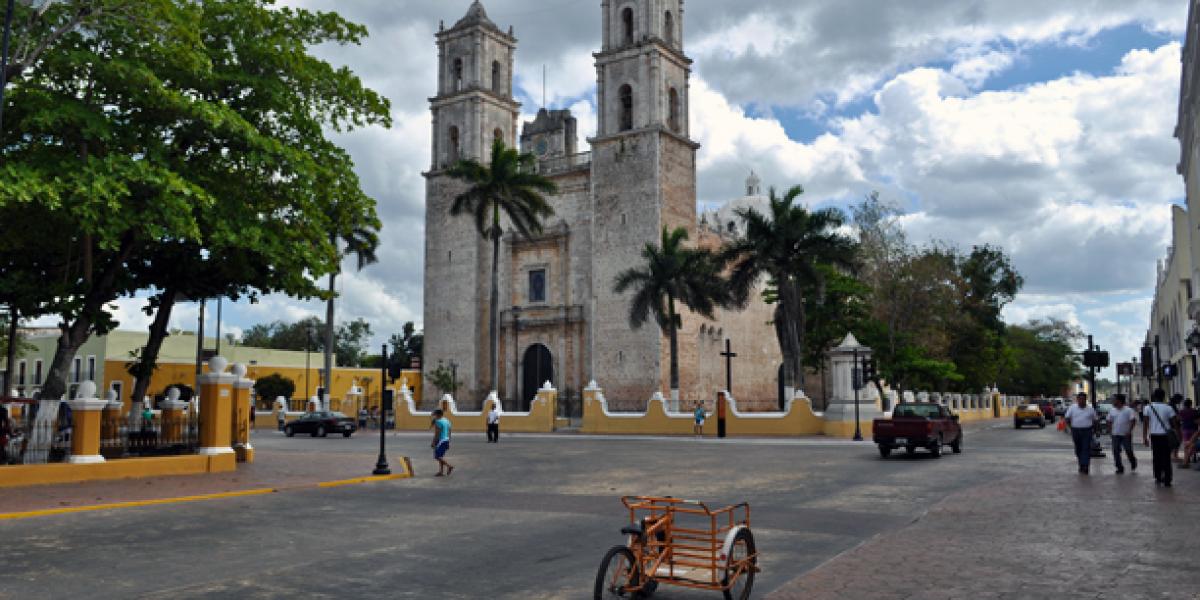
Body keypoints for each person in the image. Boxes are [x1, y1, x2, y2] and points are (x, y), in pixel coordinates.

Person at [1142, 389, 1178, 488]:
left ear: (1154, 396)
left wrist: (1144, 437)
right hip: (1166, 436)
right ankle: (1167, 479)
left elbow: (1145, 424)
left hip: (1154, 435)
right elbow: (1175, 423)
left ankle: (1158, 476)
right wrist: (1178, 435)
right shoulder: (1169, 408)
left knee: (1156, 456)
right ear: (1163, 396)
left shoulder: (1148, 408)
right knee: (1166, 458)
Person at [1063, 392, 1097, 474]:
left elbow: (1095, 420)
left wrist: (1096, 430)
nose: (1081, 401)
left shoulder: (1090, 409)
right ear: (1077, 400)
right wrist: (1069, 427)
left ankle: (1085, 466)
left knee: (1086, 448)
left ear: (1086, 400)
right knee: (1078, 449)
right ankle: (1081, 463)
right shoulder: (1072, 408)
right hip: (1075, 430)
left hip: (1087, 430)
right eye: (1080, 399)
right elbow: (1067, 418)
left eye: (1083, 399)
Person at [1107, 394, 1137, 474]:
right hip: (1115, 434)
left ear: (1119, 401)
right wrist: (1110, 431)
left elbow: (1133, 421)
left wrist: (1129, 431)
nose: (1113, 401)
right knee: (1115, 450)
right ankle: (1119, 467)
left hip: (1126, 434)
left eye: (1114, 400)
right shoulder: (1112, 410)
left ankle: (1133, 460)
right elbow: (1109, 421)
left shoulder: (1129, 410)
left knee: (1128, 450)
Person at [431, 409, 454, 476]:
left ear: (438, 415)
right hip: (446, 440)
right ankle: (441, 471)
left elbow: (437, 434)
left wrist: (433, 442)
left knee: (437, 456)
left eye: (435, 414)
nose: (434, 416)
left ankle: (449, 466)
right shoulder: (446, 420)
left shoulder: (438, 422)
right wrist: (449, 440)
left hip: (441, 441)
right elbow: (450, 430)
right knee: (440, 456)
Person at [1177, 399, 1196, 466]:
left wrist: (1184, 419)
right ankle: (1193, 456)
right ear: (1191, 404)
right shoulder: (1194, 411)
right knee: (1192, 443)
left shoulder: (1182, 411)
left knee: (1186, 444)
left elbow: (1178, 419)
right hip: (1194, 429)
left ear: (1184, 404)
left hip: (1185, 429)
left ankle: (1187, 459)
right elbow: (1197, 420)